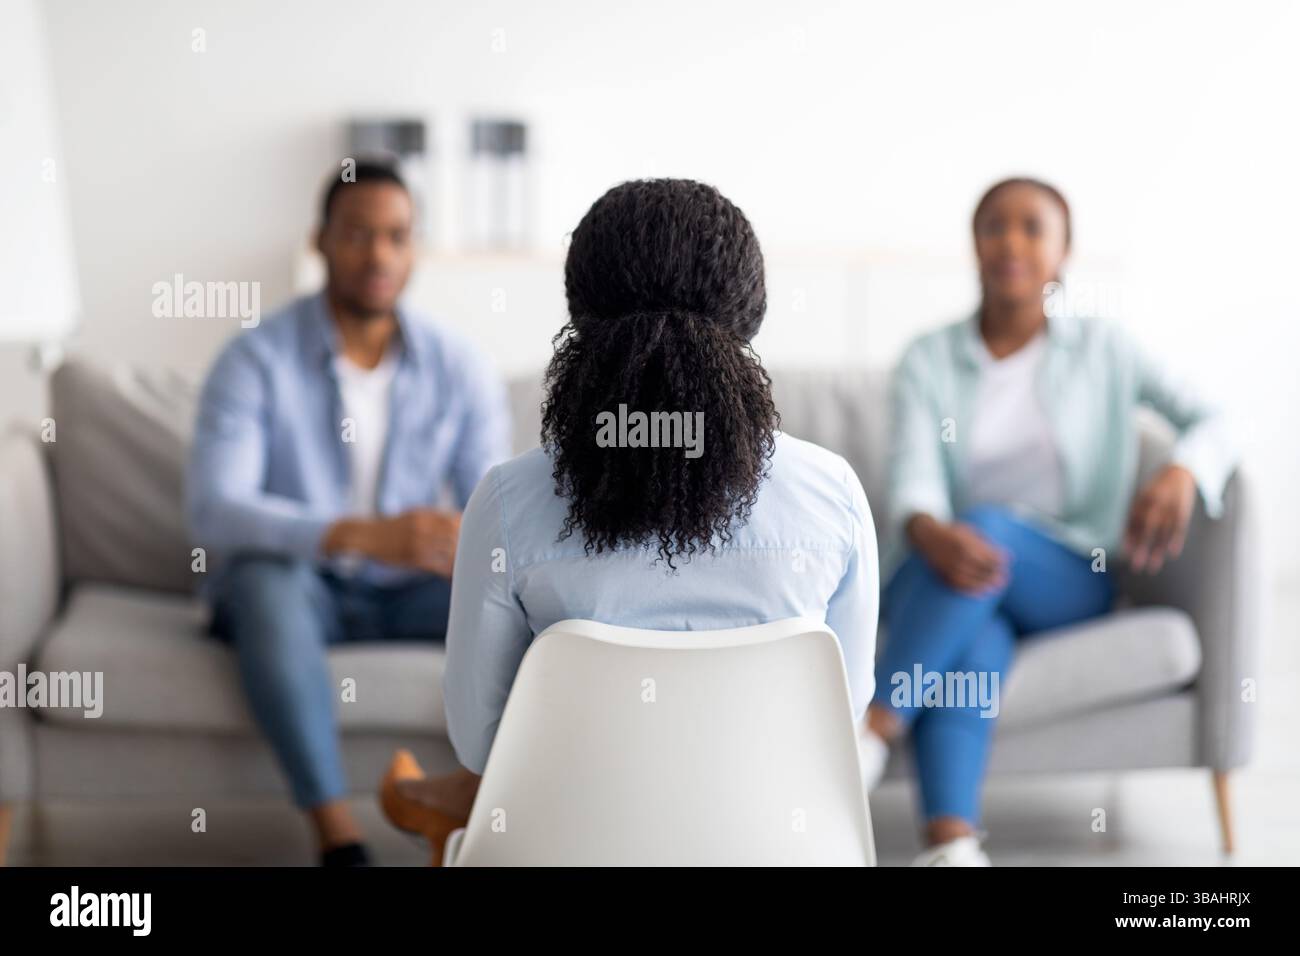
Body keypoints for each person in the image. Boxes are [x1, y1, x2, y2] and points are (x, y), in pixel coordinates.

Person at [377, 178, 880, 864]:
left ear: (581, 313)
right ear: (751, 314)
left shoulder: (507, 503)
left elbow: (481, 740)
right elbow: (839, 718)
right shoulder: (834, 496)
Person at [858, 177, 1239, 865]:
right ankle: (951, 844)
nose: (1011, 241)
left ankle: (874, 729)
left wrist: (1183, 469)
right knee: (975, 648)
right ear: (974, 245)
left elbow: (1215, 418)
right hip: (953, 570)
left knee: (987, 531)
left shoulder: (1107, 350)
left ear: (1063, 253)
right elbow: (914, 472)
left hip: (1070, 572)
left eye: (1033, 228)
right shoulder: (929, 358)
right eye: (994, 226)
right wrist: (925, 529)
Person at [186, 161, 511, 866]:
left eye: (397, 236)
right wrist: (361, 536)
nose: (380, 255)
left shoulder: (461, 367)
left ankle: (486, 815)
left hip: (415, 591)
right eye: (359, 235)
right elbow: (215, 510)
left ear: (415, 246)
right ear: (321, 241)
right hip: (303, 587)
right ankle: (340, 840)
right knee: (260, 577)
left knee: (521, 600)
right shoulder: (255, 360)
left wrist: (472, 544)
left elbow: (497, 504)